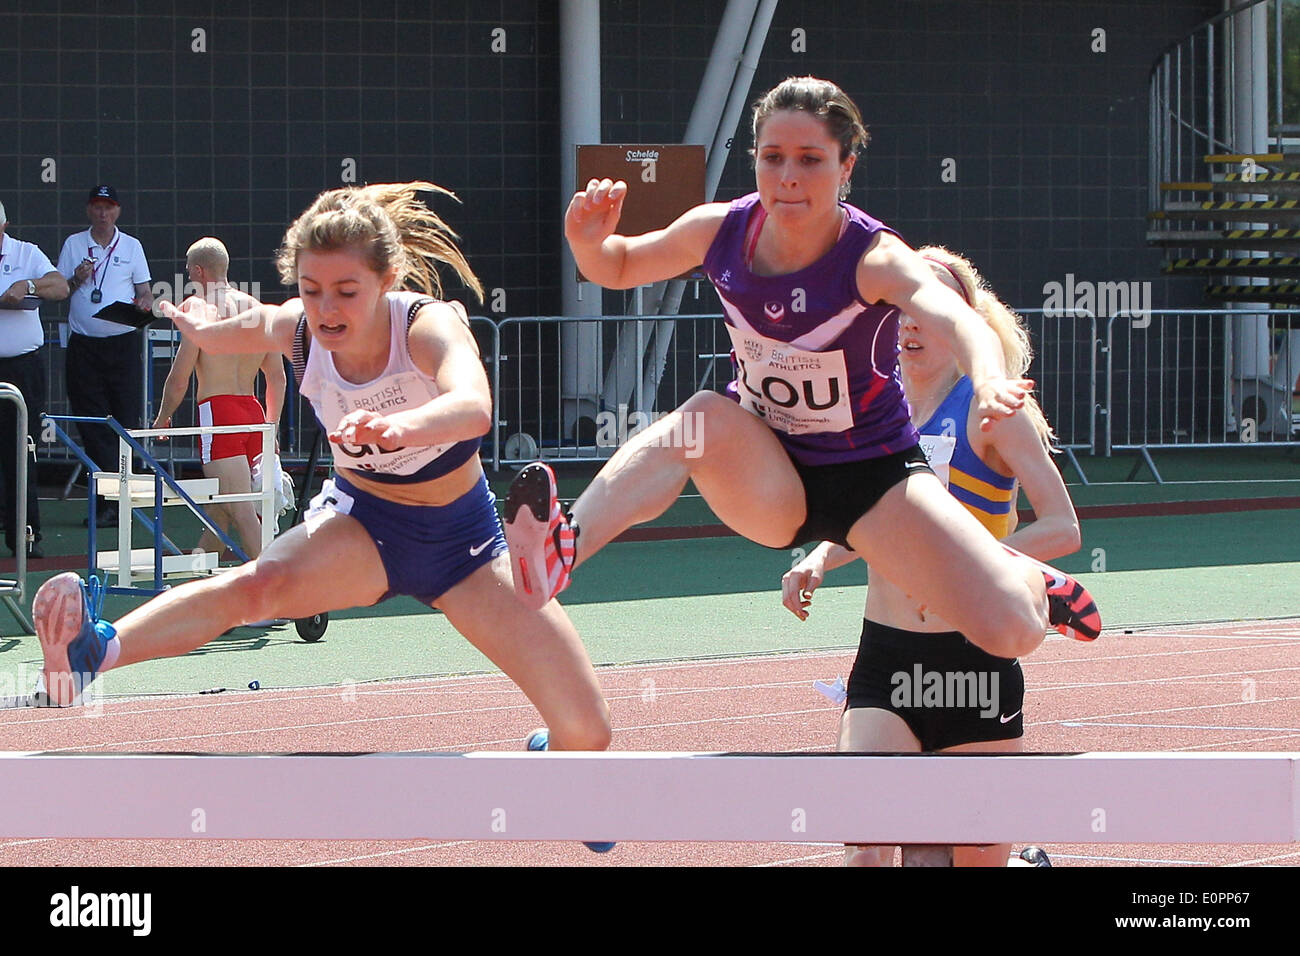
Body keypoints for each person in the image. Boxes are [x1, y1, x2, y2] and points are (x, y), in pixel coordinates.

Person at [504, 75, 1100, 662]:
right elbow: (622, 263)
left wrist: (990, 378)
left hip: (874, 478)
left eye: (810, 159)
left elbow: (958, 320)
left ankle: (1031, 582)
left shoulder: (875, 257)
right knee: (701, 419)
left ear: (846, 167)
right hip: (771, 469)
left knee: (1011, 631)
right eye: (773, 157)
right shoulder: (719, 231)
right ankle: (565, 545)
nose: (788, 177)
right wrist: (586, 241)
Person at [32, 182, 612, 776]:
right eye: (311, 291)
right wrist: (204, 332)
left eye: (345, 291)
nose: (327, 309)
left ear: (386, 281)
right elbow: (258, 321)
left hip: (465, 545)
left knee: (590, 735)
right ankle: (90, 653)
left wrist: (401, 426)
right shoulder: (303, 330)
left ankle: (559, 752)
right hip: (363, 526)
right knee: (256, 587)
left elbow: (473, 405)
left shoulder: (426, 326)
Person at [781, 246, 1081, 866]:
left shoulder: (991, 410)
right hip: (886, 659)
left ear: (963, 321)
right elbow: (872, 518)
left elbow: (1063, 526)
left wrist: (969, 568)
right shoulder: (871, 410)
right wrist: (817, 559)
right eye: (903, 305)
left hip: (974, 664)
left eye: (932, 306)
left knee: (956, 862)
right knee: (867, 844)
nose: (912, 321)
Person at [152, 237, 287, 560]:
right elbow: (277, 377)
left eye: (188, 271)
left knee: (239, 507)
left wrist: (162, 418)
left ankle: (276, 586)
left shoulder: (198, 308)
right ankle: (198, 563)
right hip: (254, 412)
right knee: (228, 505)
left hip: (220, 411)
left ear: (199, 270)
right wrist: (273, 426)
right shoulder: (257, 309)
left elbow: (179, 377)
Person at [56, 185, 154, 526]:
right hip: (84, 346)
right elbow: (60, 291)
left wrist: (144, 305)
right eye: (97, 207)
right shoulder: (73, 244)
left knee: (125, 422)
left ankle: (124, 501)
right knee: (91, 424)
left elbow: (144, 291)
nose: (103, 213)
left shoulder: (131, 246)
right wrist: (76, 279)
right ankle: (106, 502)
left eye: (109, 207)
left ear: (117, 211)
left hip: (122, 345)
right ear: (89, 210)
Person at [0, 198, 69, 557]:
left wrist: (26, 286)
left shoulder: (26, 253)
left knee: (22, 450)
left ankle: (26, 537)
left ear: (4, 228)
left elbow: (60, 287)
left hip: (22, 368)